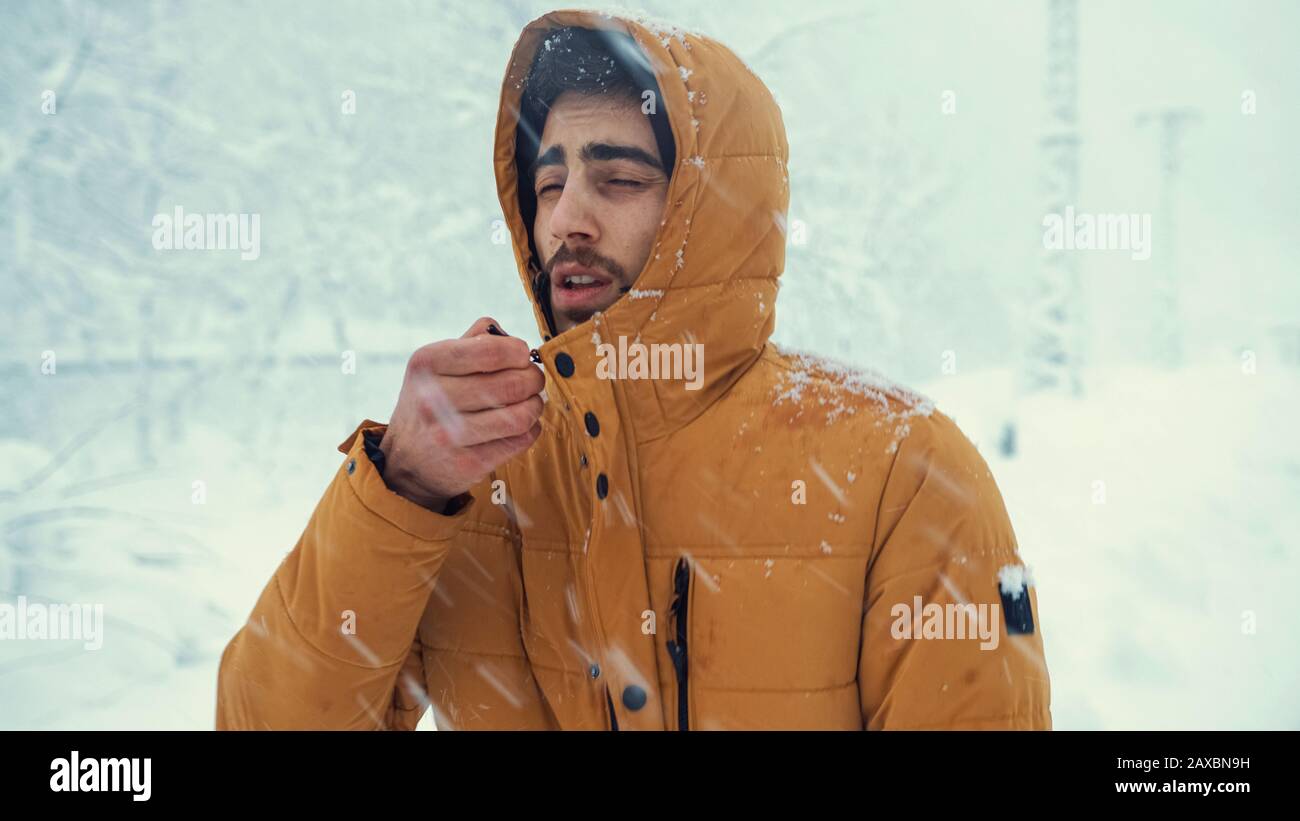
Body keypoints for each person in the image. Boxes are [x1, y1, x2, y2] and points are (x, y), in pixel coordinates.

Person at [216, 11, 1051, 730]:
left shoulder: (902, 472)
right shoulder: (472, 481)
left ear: (715, 213)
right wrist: (400, 487)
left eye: (618, 178)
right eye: (549, 184)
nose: (567, 219)